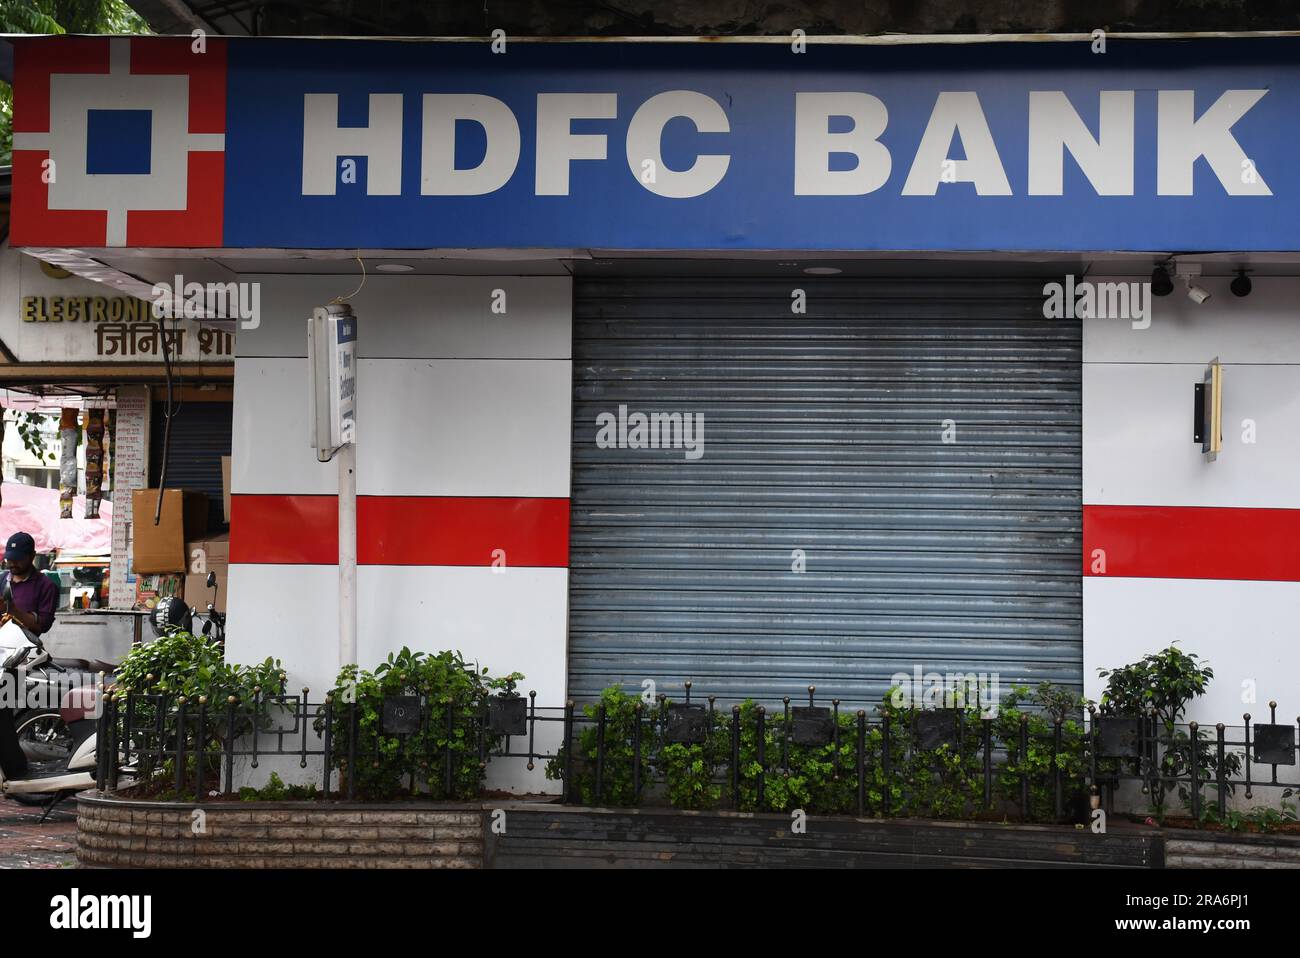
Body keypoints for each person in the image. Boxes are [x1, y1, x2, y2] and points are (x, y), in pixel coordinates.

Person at [0, 532, 58, 781]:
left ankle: (16, 770)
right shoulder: (2, 579)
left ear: (32, 557)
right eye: (9, 559)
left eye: (18, 560)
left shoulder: (45, 586)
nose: (12, 564)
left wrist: (12, 610)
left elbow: (40, 624)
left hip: (22, 657)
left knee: (3, 712)